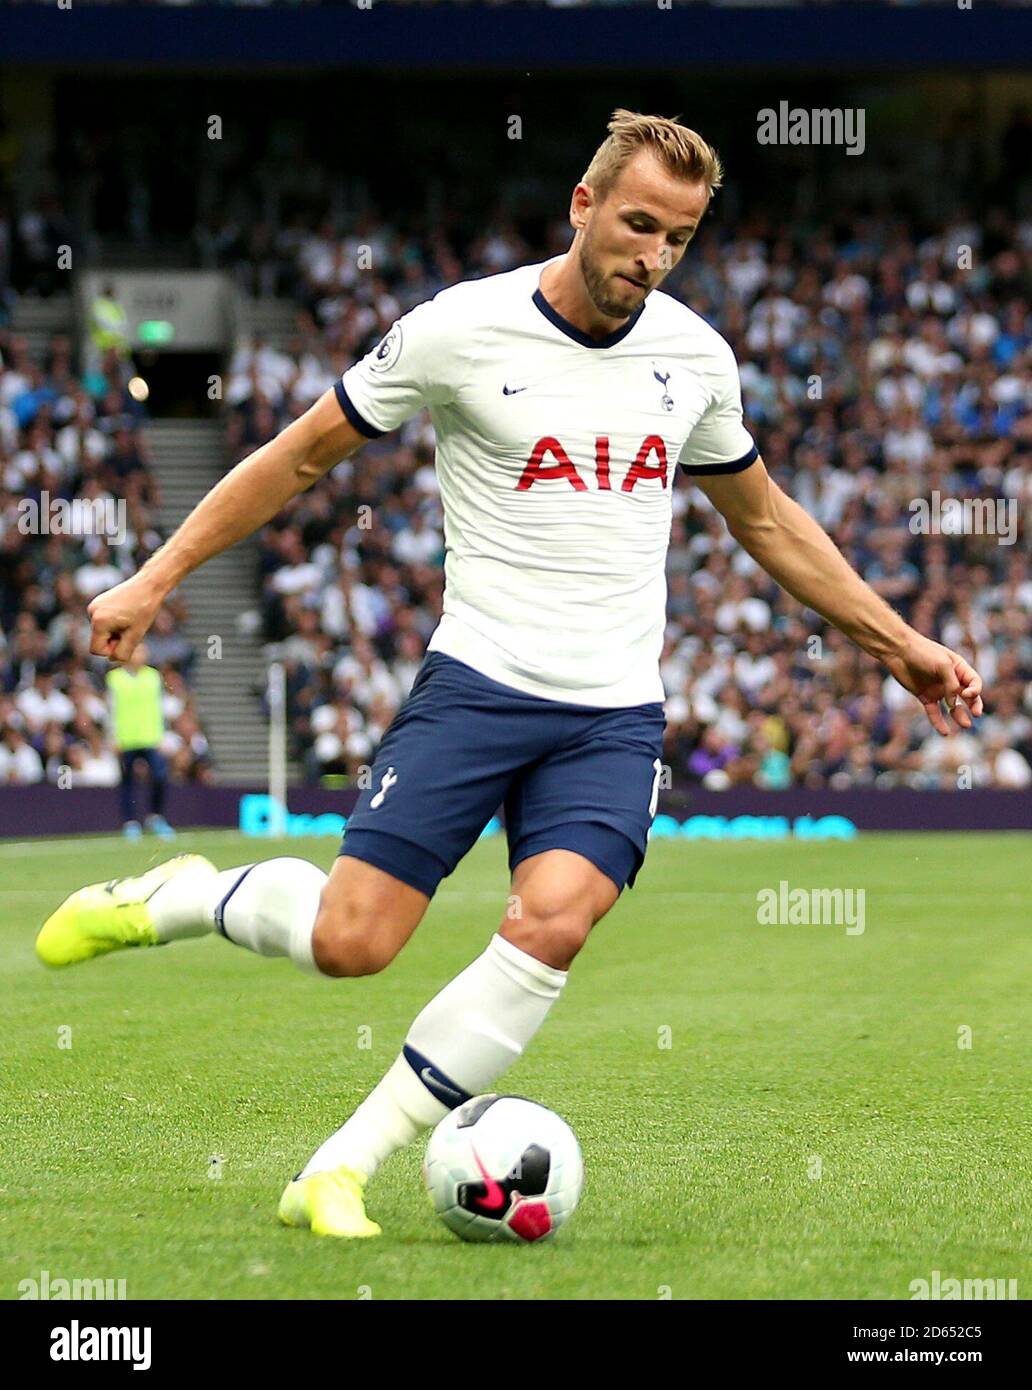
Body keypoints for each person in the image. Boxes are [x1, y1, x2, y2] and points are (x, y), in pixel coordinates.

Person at [37, 109, 983, 1239]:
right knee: (353, 943)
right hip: (478, 685)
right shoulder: (460, 330)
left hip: (614, 715)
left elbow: (768, 521)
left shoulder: (694, 358)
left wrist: (901, 644)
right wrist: (154, 578)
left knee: (555, 921)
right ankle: (182, 893)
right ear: (582, 206)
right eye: (637, 224)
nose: (652, 254)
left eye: (677, 238)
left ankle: (337, 1167)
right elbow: (298, 456)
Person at [106, 642, 174, 839]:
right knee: (127, 782)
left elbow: (159, 707)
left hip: (151, 737)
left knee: (160, 777)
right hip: (126, 739)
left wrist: (162, 735)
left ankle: (156, 817)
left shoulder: (153, 677)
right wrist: (113, 737)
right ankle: (130, 822)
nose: (142, 655)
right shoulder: (115, 678)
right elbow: (111, 709)